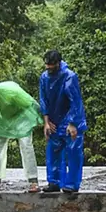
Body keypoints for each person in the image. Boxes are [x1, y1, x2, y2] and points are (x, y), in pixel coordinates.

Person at [0, 69, 43, 193]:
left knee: (27, 147)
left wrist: (44, 119)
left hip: (20, 120)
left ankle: (33, 182)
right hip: (0, 123)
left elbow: (30, 103)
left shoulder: (12, 91)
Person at [39, 50, 87, 193]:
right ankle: (54, 182)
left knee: (73, 152)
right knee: (53, 150)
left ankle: (71, 184)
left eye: (51, 66)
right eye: (47, 65)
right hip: (54, 118)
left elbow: (75, 101)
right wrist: (46, 121)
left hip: (70, 117)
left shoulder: (69, 77)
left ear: (58, 63)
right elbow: (43, 100)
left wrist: (72, 123)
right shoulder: (44, 77)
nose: (48, 69)